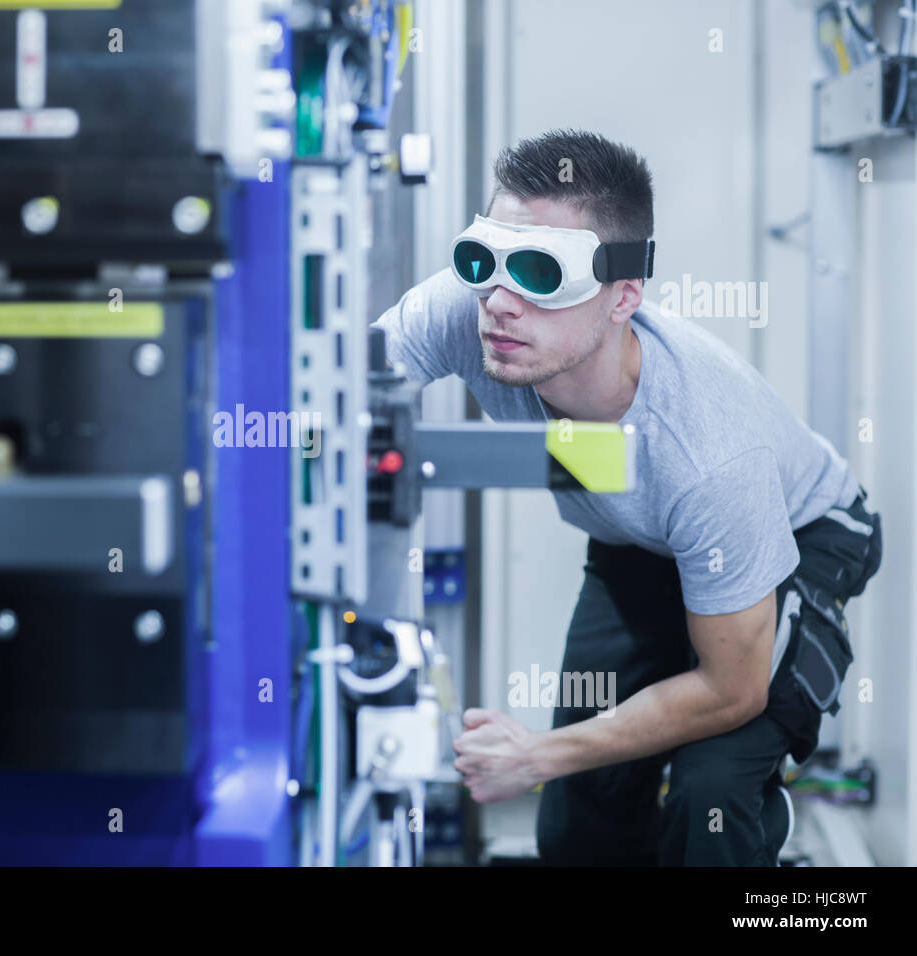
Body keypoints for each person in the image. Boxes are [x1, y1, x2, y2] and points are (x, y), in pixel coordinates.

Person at [372, 129, 882, 866]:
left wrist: (538, 755)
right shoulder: (475, 310)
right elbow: (337, 401)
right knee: (582, 818)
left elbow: (729, 690)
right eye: (485, 262)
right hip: (646, 539)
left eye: (542, 273)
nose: (500, 303)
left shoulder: (709, 452)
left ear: (624, 297)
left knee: (710, 799)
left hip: (804, 534)